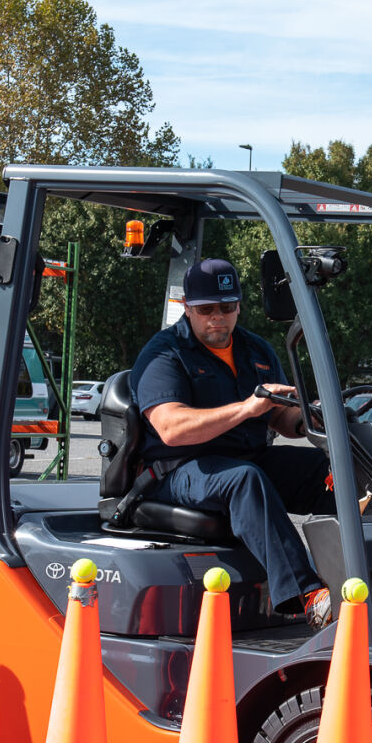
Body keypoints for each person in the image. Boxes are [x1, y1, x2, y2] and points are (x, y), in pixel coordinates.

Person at [130, 257, 336, 627]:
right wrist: (244, 409)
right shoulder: (164, 354)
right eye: (207, 309)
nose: (218, 318)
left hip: (248, 458)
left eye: (227, 308)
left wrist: (310, 418)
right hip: (179, 471)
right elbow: (172, 429)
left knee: (328, 469)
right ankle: (309, 595)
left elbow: (280, 417)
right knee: (244, 479)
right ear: (187, 308)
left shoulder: (256, 351)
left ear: (239, 305)